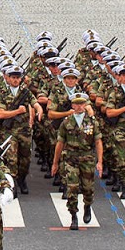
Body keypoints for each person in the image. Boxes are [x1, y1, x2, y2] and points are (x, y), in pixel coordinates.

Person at [51, 91, 101, 230]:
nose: (79, 107)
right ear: (72, 105)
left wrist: (100, 162)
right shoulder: (66, 122)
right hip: (71, 158)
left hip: (87, 158)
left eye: (81, 104)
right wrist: (55, 163)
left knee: (88, 188)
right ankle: (73, 215)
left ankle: (87, 205)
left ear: (85, 105)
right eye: (76, 104)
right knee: (72, 188)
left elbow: (98, 142)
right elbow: (60, 143)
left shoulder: (92, 122)